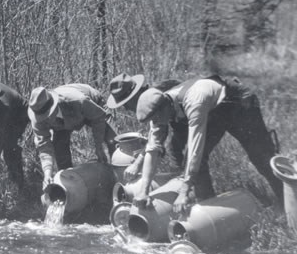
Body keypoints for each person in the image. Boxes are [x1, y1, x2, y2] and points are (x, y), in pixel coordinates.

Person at [105, 72, 283, 213]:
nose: (158, 121)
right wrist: (143, 191)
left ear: (166, 108)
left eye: (159, 117)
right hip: (215, 111)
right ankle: (207, 208)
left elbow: (195, 147)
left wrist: (184, 192)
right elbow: (152, 149)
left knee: (261, 157)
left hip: (237, 102)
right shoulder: (157, 110)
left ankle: (285, 202)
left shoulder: (193, 102)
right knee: (188, 157)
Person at [28, 85, 117, 190]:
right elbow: (44, 146)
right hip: (63, 123)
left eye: (48, 116)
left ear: (54, 107)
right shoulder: (37, 118)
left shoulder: (78, 100)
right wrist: (47, 173)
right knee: (60, 151)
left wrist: (99, 146)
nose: (45, 121)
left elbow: (98, 118)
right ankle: (72, 189)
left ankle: (117, 180)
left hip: (93, 106)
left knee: (113, 140)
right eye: (42, 118)